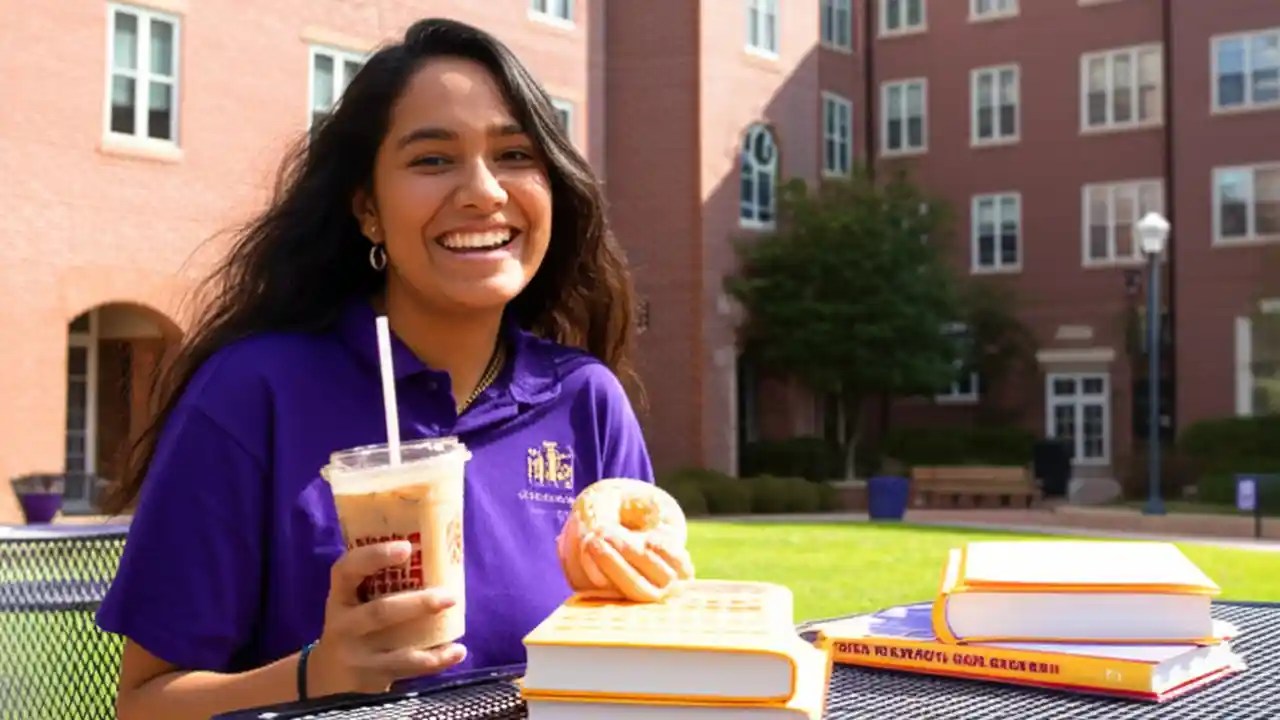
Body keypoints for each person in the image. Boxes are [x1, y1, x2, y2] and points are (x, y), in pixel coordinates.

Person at [95, 17, 674, 720]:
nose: (484, 191)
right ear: (368, 209)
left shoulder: (585, 402)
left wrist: (657, 603)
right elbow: (144, 704)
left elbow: (643, 678)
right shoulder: (254, 395)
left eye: (516, 154)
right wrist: (317, 674)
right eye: (433, 160)